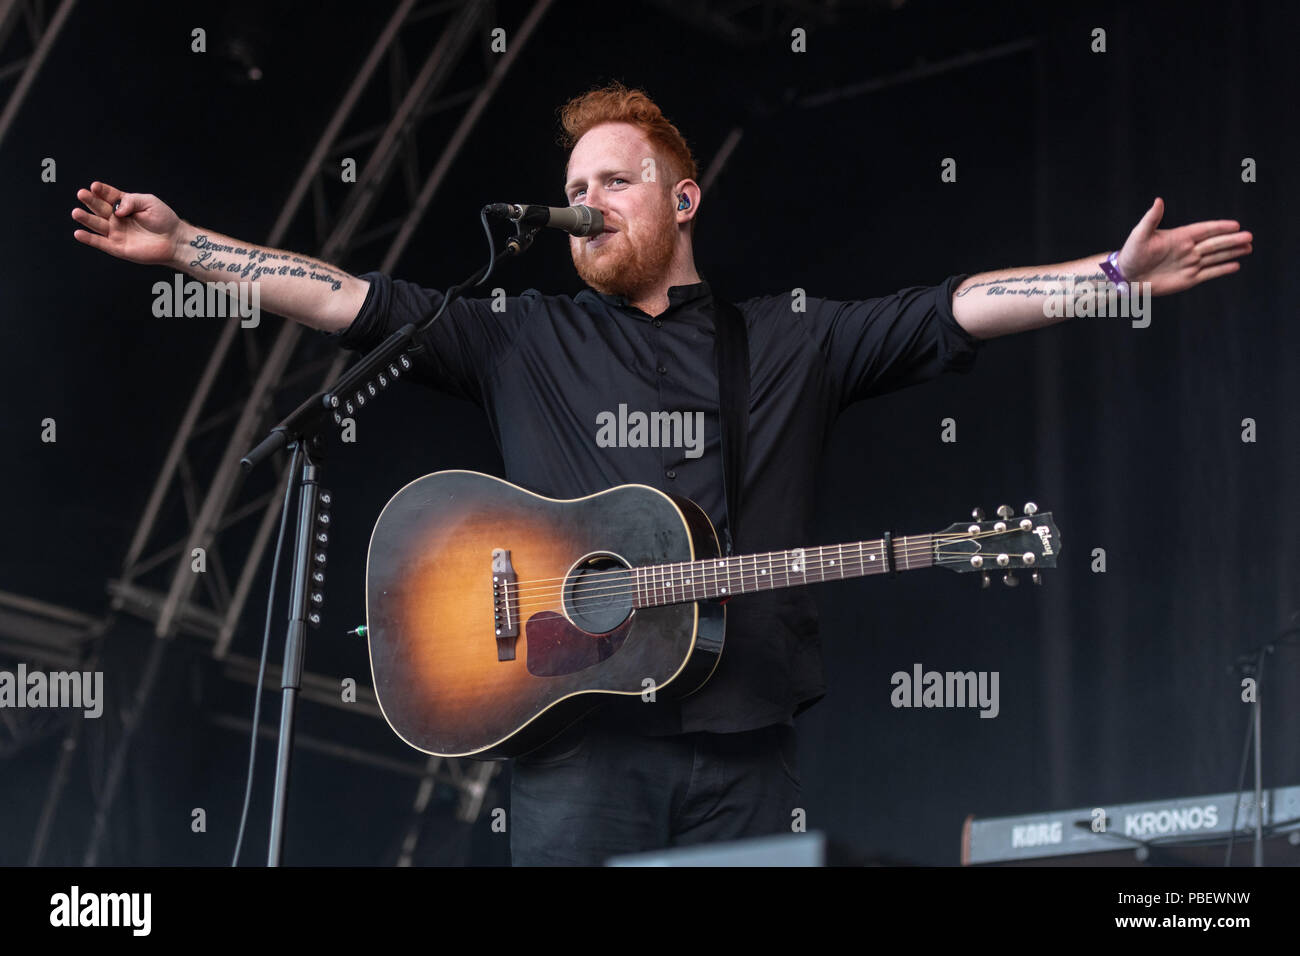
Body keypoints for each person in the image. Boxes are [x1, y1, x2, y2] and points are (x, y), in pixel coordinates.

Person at [71, 81, 1252, 866]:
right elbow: (342, 296)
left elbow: (952, 307)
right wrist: (187, 248)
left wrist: (1104, 277)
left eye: (614, 183)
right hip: (575, 756)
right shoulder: (521, 332)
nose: (585, 204)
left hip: (745, 756)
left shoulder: (788, 342)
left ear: (682, 199)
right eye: (575, 188)